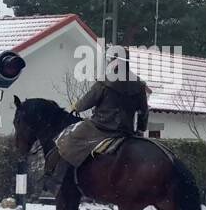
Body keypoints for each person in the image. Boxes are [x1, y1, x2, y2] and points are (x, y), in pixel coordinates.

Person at [45, 46, 149, 191]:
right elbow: (144, 111)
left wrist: (76, 106)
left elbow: (86, 103)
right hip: (126, 131)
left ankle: (57, 180)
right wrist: (141, 129)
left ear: (114, 61)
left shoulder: (105, 82)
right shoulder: (139, 85)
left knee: (67, 139)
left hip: (100, 127)